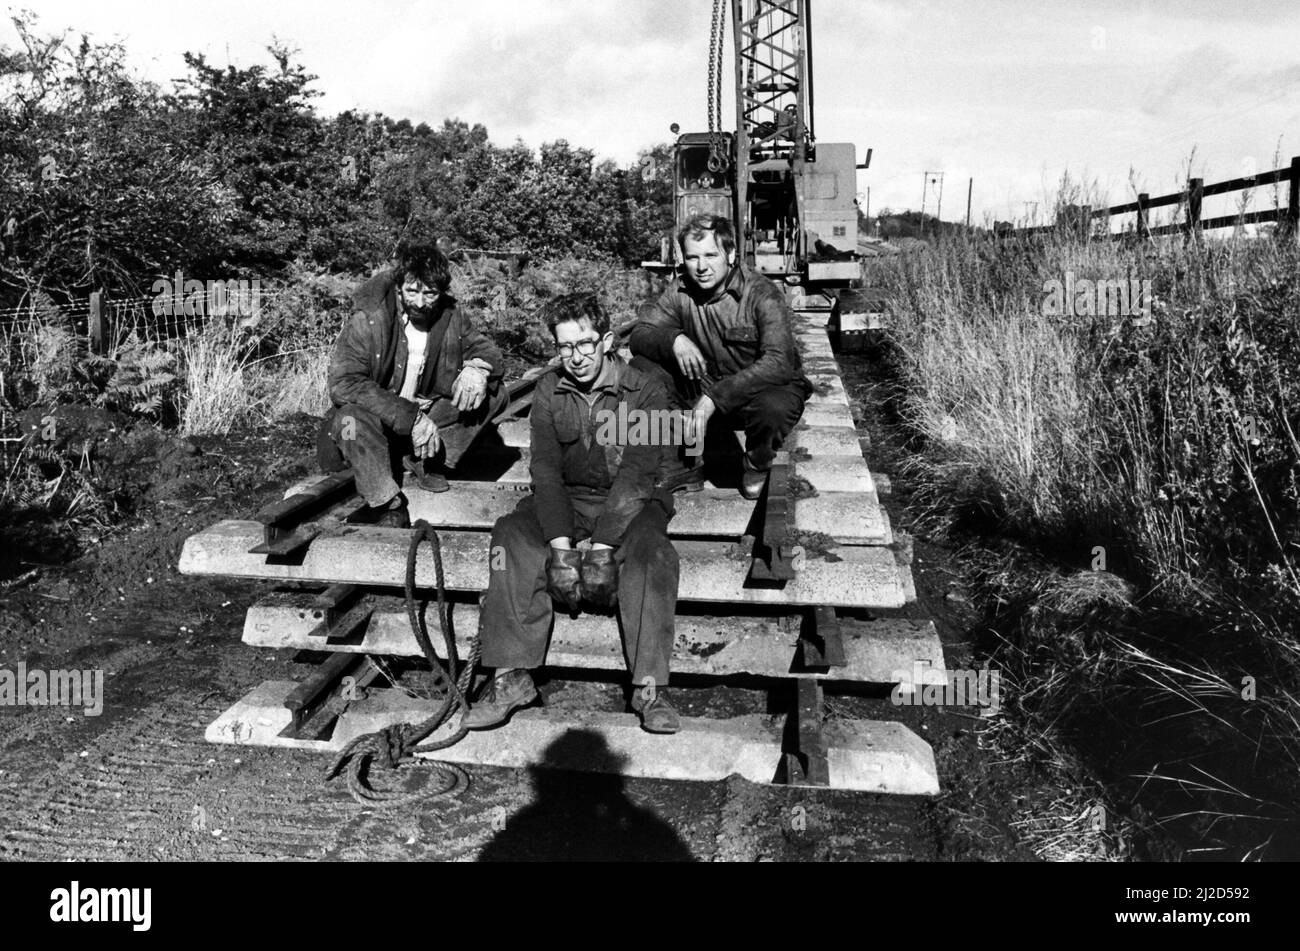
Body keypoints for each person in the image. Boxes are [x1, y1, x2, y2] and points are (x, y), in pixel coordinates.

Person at [465, 293, 681, 734]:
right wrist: (561, 549)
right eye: (565, 347)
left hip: (634, 500)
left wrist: (601, 550)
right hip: (570, 496)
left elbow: (639, 473)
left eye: (584, 344)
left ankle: (649, 686)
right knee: (510, 536)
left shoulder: (646, 389)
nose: (576, 357)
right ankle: (511, 677)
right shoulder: (550, 388)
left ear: (605, 341)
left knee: (652, 555)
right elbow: (544, 469)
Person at [318, 238, 507, 527]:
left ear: (441, 291)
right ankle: (386, 502)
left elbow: (487, 350)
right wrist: (412, 417)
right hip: (379, 421)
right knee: (349, 419)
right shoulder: (369, 317)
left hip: (428, 420)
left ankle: (428, 460)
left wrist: (477, 369)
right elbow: (343, 383)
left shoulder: (450, 314)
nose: (420, 303)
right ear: (398, 286)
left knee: (495, 393)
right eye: (412, 292)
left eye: (429, 294)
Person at [628, 213, 812, 499]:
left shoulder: (762, 294)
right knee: (641, 370)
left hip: (758, 390)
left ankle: (756, 461)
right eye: (692, 258)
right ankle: (683, 462)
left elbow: (779, 363)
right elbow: (639, 336)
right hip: (703, 385)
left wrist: (714, 398)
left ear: (730, 254)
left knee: (774, 407)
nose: (701, 267)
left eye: (711, 255)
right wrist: (673, 339)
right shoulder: (680, 291)